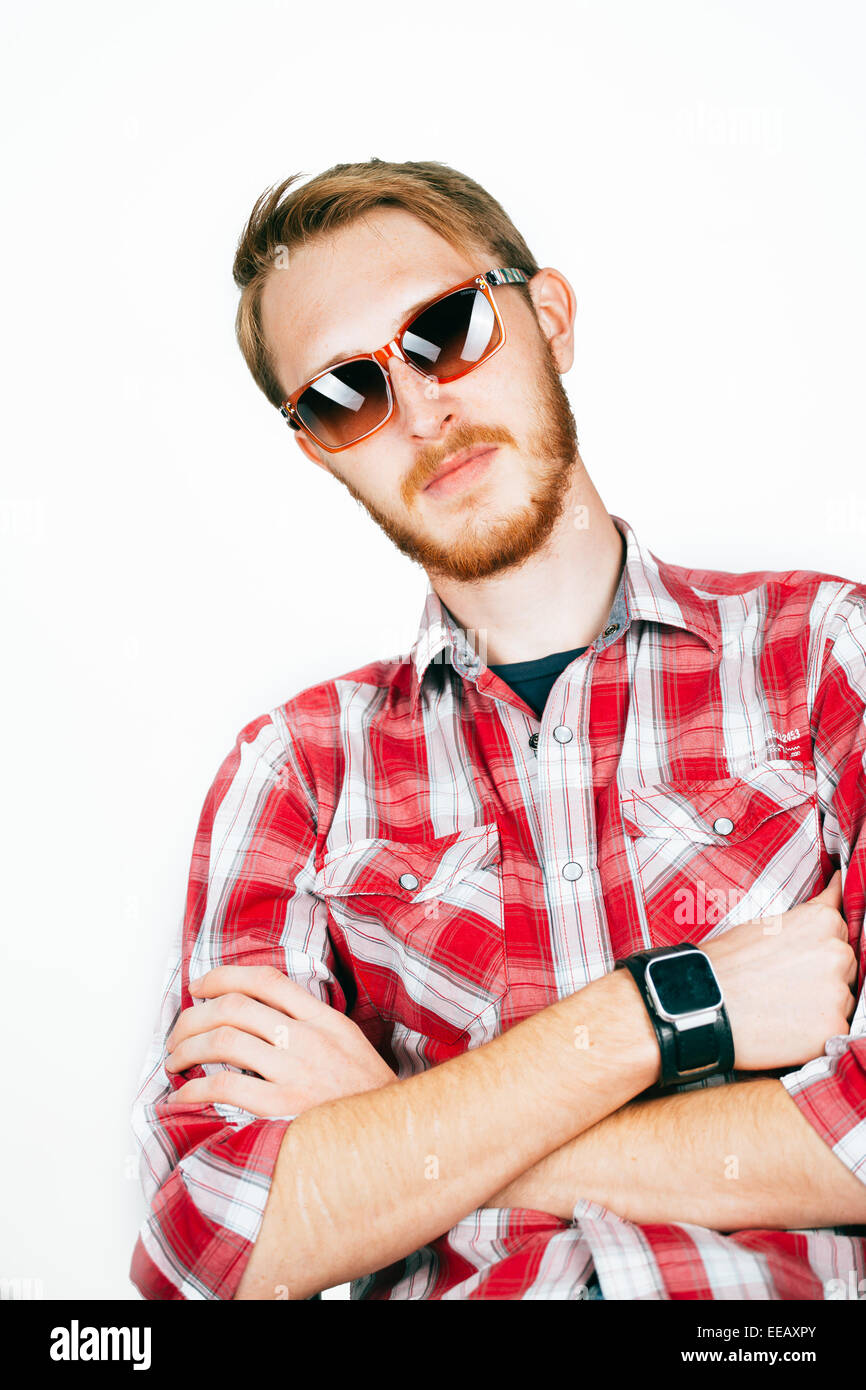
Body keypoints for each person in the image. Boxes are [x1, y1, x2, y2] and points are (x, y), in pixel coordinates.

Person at [129, 159, 866, 1301]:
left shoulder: (825, 652)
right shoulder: (296, 774)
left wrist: (386, 1126)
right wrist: (666, 1013)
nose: (420, 407)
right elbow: (211, 1242)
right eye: (343, 391)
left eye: (444, 327)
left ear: (549, 316)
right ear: (318, 447)